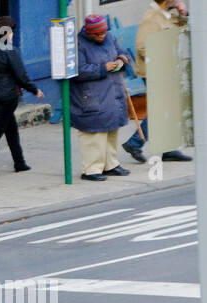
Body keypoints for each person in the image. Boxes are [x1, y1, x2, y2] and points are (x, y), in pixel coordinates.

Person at [122, 0, 192, 163]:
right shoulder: (152, 18)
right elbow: (142, 47)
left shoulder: (165, 15)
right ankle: (135, 142)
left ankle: (168, 149)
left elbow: (183, 29)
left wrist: (183, 14)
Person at [73, 14, 135, 181]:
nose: (102, 36)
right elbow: (78, 70)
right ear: (89, 32)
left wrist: (121, 59)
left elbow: (121, 51)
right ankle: (92, 169)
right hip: (91, 94)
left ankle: (111, 164)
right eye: (97, 34)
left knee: (112, 129)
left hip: (112, 91)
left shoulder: (110, 37)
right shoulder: (79, 44)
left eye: (103, 33)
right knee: (94, 134)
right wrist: (103, 68)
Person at [0, 16, 45, 173]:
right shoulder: (10, 50)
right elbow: (20, 75)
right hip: (8, 96)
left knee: (11, 128)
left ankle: (19, 161)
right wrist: (34, 89)